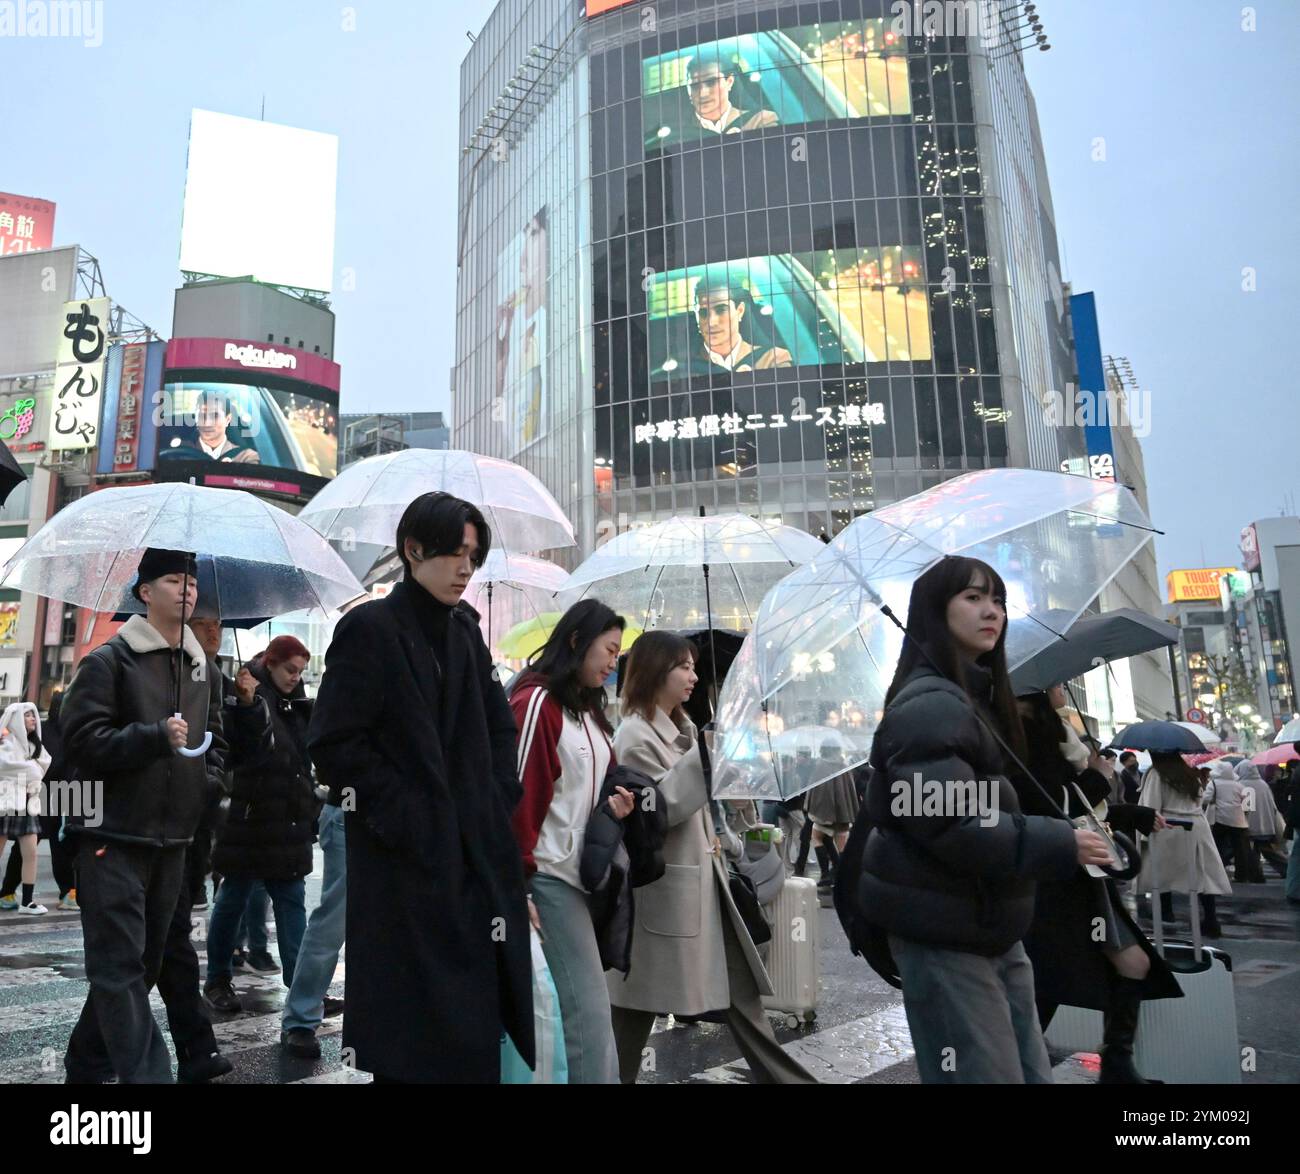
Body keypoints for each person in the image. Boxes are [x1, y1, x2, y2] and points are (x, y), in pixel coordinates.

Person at [309, 492, 533, 1083]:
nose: (466, 567)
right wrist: (412, 816)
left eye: (474, 556)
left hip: (471, 862)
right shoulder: (370, 629)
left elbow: (499, 728)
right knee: (408, 1040)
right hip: (399, 869)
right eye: (455, 553)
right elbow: (334, 744)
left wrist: (493, 800)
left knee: (470, 1035)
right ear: (413, 550)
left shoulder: (465, 633)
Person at [856, 556, 1106, 1084]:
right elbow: (948, 822)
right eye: (972, 598)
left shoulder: (974, 699)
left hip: (986, 923)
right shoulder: (930, 704)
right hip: (945, 929)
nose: (991, 610)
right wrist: (1060, 841)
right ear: (934, 610)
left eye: (997, 599)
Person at [608, 631, 816, 1084]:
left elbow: (711, 809)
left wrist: (731, 781)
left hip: (707, 890)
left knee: (741, 997)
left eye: (694, 666)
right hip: (664, 896)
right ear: (654, 671)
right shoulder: (634, 736)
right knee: (630, 1009)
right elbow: (656, 810)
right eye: (683, 666)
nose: (694, 675)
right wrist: (704, 757)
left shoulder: (683, 732)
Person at [60, 548, 226, 1084]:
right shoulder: (110, 661)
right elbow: (81, 742)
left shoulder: (203, 670)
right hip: (110, 838)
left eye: (192, 582)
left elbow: (216, 745)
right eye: (174, 581)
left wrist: (211, 780)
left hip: (173, 841)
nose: (187, 591)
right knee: (119, 969)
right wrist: (153, 738)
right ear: (145, 591)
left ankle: (86, 1064)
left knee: (143, 968)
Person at [1012, 687, 1181, 1084]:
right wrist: (1099, 776)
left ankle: (1117, 1063)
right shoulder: (1020, 739)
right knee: (1048, 979)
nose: (1062, 688)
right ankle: (1019, 1063)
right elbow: (1053, 809)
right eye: (1056, 682)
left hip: (1081, 877)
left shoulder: (1056, 737)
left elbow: (1080, 811)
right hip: (1055, 881)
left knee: (1129, 963)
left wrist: (1131, 812)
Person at [510, 599, 630, 1084]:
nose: (613, 662)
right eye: (608, 649)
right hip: (547, 880)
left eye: (618, 654)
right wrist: (516, 886)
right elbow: (517, 798)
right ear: (577, 641)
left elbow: (577, 795)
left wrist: (614, 807)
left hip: (581, 880)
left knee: (583, 1017)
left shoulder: (588, 712)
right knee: (588, 1019)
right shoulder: (536, 703)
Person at [203, 637, 315, 1013]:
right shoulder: (243, 692)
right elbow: (243, 750)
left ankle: (301, 990)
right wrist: (249, 704)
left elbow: (303, 759)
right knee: (232, 898)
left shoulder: (298, 701)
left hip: (289, 821)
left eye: (300, 671)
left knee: (291, 903)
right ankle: (217, 979)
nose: (294, 677)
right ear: (271, 662)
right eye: (289, 670)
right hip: (250, 819)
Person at [1136, 752, 1231, 938]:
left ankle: (1166, 913)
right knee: (1201, 873)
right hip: (1196, 825)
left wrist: (1145, 830)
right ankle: (1211, 919)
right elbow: (1199, 799)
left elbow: (1151, 805)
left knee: (1162, 873)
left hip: (1168, 825)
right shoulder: (1189, 772)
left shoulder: (1156, 773)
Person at [0, 703, 52, 914]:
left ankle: (27, 902)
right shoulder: (6, 744)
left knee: (31, 853)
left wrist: (29, 770)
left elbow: (43, 765)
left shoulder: (33, 746)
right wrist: (31, 769)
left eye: (33, 715)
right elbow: (13, 767)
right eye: (27, 715)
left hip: (27, 804)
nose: (33, 719)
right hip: (6, 804)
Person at [692, 275, 792, 373]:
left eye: (721, 310)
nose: (711, 322)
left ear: (740, 310)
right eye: (702, 312)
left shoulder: (772, 359)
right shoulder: (686, 369)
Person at [683, 52, 779, 137]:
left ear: (729, 82)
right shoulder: (680, 134)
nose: (702, 93)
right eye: (694, 85)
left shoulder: (760, 121)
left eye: (711, 82)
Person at [161, 389, 260, 463]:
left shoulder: (246, 457)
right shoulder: (177, 454)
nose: (207, 423)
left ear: (228, 419)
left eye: (215, 415)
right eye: (201, 415)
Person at [1235, 759, 1288, 880]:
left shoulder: (1241, 785)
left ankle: (1256, 875)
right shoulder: (1263, 785)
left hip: (1247, 825)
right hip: (1266, 825)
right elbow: (1272, 805)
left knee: (1251, 851)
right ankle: (1287, 869)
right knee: (1268, 851)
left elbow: (1244, 807)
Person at [1204, 758, 1252, 883]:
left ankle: (1217, 874)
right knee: (1240, 850)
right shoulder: (1240, 785)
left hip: (1220, 820)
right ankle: (1241, 876)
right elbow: (1248, 805)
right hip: (1238, 821)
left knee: (1217, 847)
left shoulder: (1213, 784)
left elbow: (1205, 799)